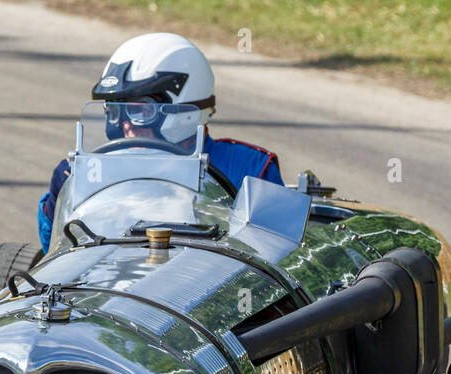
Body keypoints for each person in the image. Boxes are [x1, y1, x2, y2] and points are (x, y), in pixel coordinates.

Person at [37, 32, 282, 250]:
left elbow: (277, 261)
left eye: (140, 110)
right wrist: (57, 201)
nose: (124, 124)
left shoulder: (250, 170)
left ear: (185, 110)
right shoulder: (88, 170)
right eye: (116, 110)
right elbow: (57, 254)